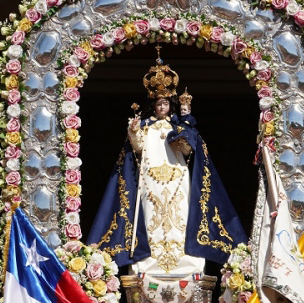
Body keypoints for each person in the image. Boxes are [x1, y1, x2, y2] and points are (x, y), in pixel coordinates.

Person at [87, 49, 247, 276]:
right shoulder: (145, 126)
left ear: (170, 104)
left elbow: (189, 151)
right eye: (159, 104)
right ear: (153, 105)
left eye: (165, 103)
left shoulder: (179, 127)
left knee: (179, 214)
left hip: (176, 179)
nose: (162, 107)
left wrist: (183, 137)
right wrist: (133, 131)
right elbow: (138, 148)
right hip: (150, 180)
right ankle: (150, 259)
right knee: (151, 214)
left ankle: (183, 258)